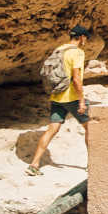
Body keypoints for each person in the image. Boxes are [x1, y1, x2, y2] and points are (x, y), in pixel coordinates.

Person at [26, 24, 92, 176]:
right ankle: (92, 164)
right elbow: (76, 79)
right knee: (91, 128)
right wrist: (81, 100)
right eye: (86, 38)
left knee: (51, 129)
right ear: (81, 37)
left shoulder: (60, 49)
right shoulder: (77, 53)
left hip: (56, 96)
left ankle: (34, 164)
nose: (86, 41)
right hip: (72, 97)